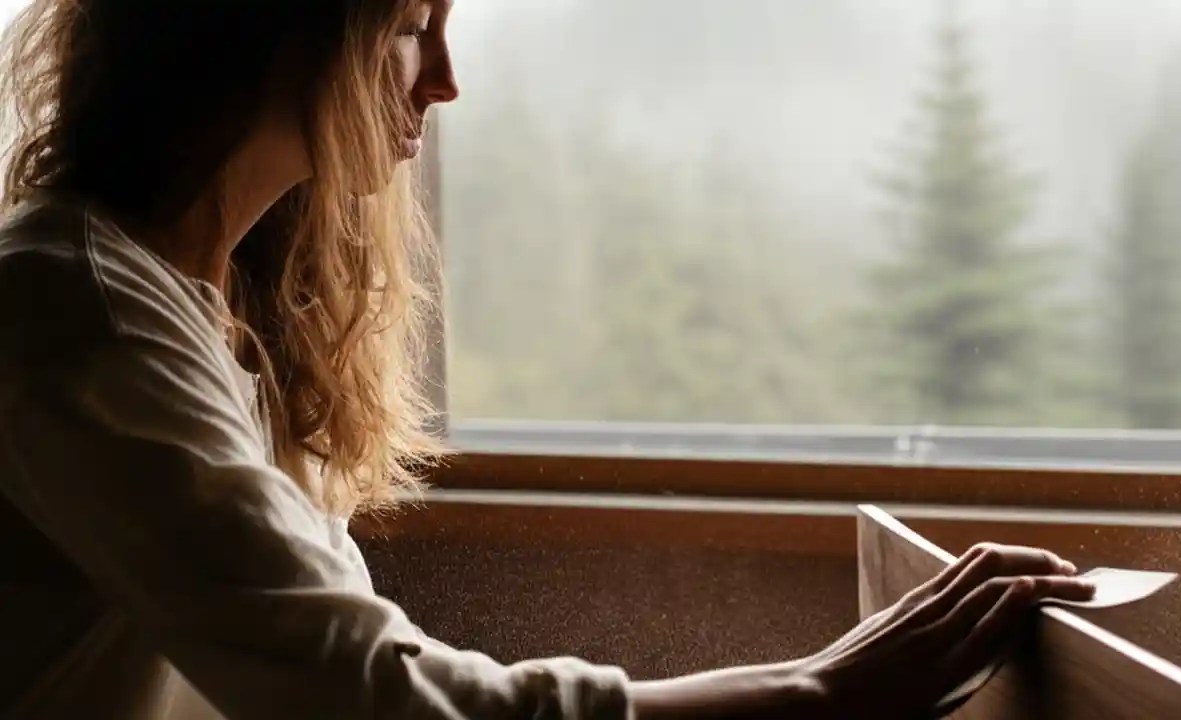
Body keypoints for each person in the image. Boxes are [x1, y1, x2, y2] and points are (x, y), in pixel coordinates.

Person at [0, 0, 1095, 718]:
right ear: (274, 27)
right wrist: (811, 691)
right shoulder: (73, 310)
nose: (442, 80)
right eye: (410, 25)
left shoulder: (200, 305)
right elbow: (365, 695)